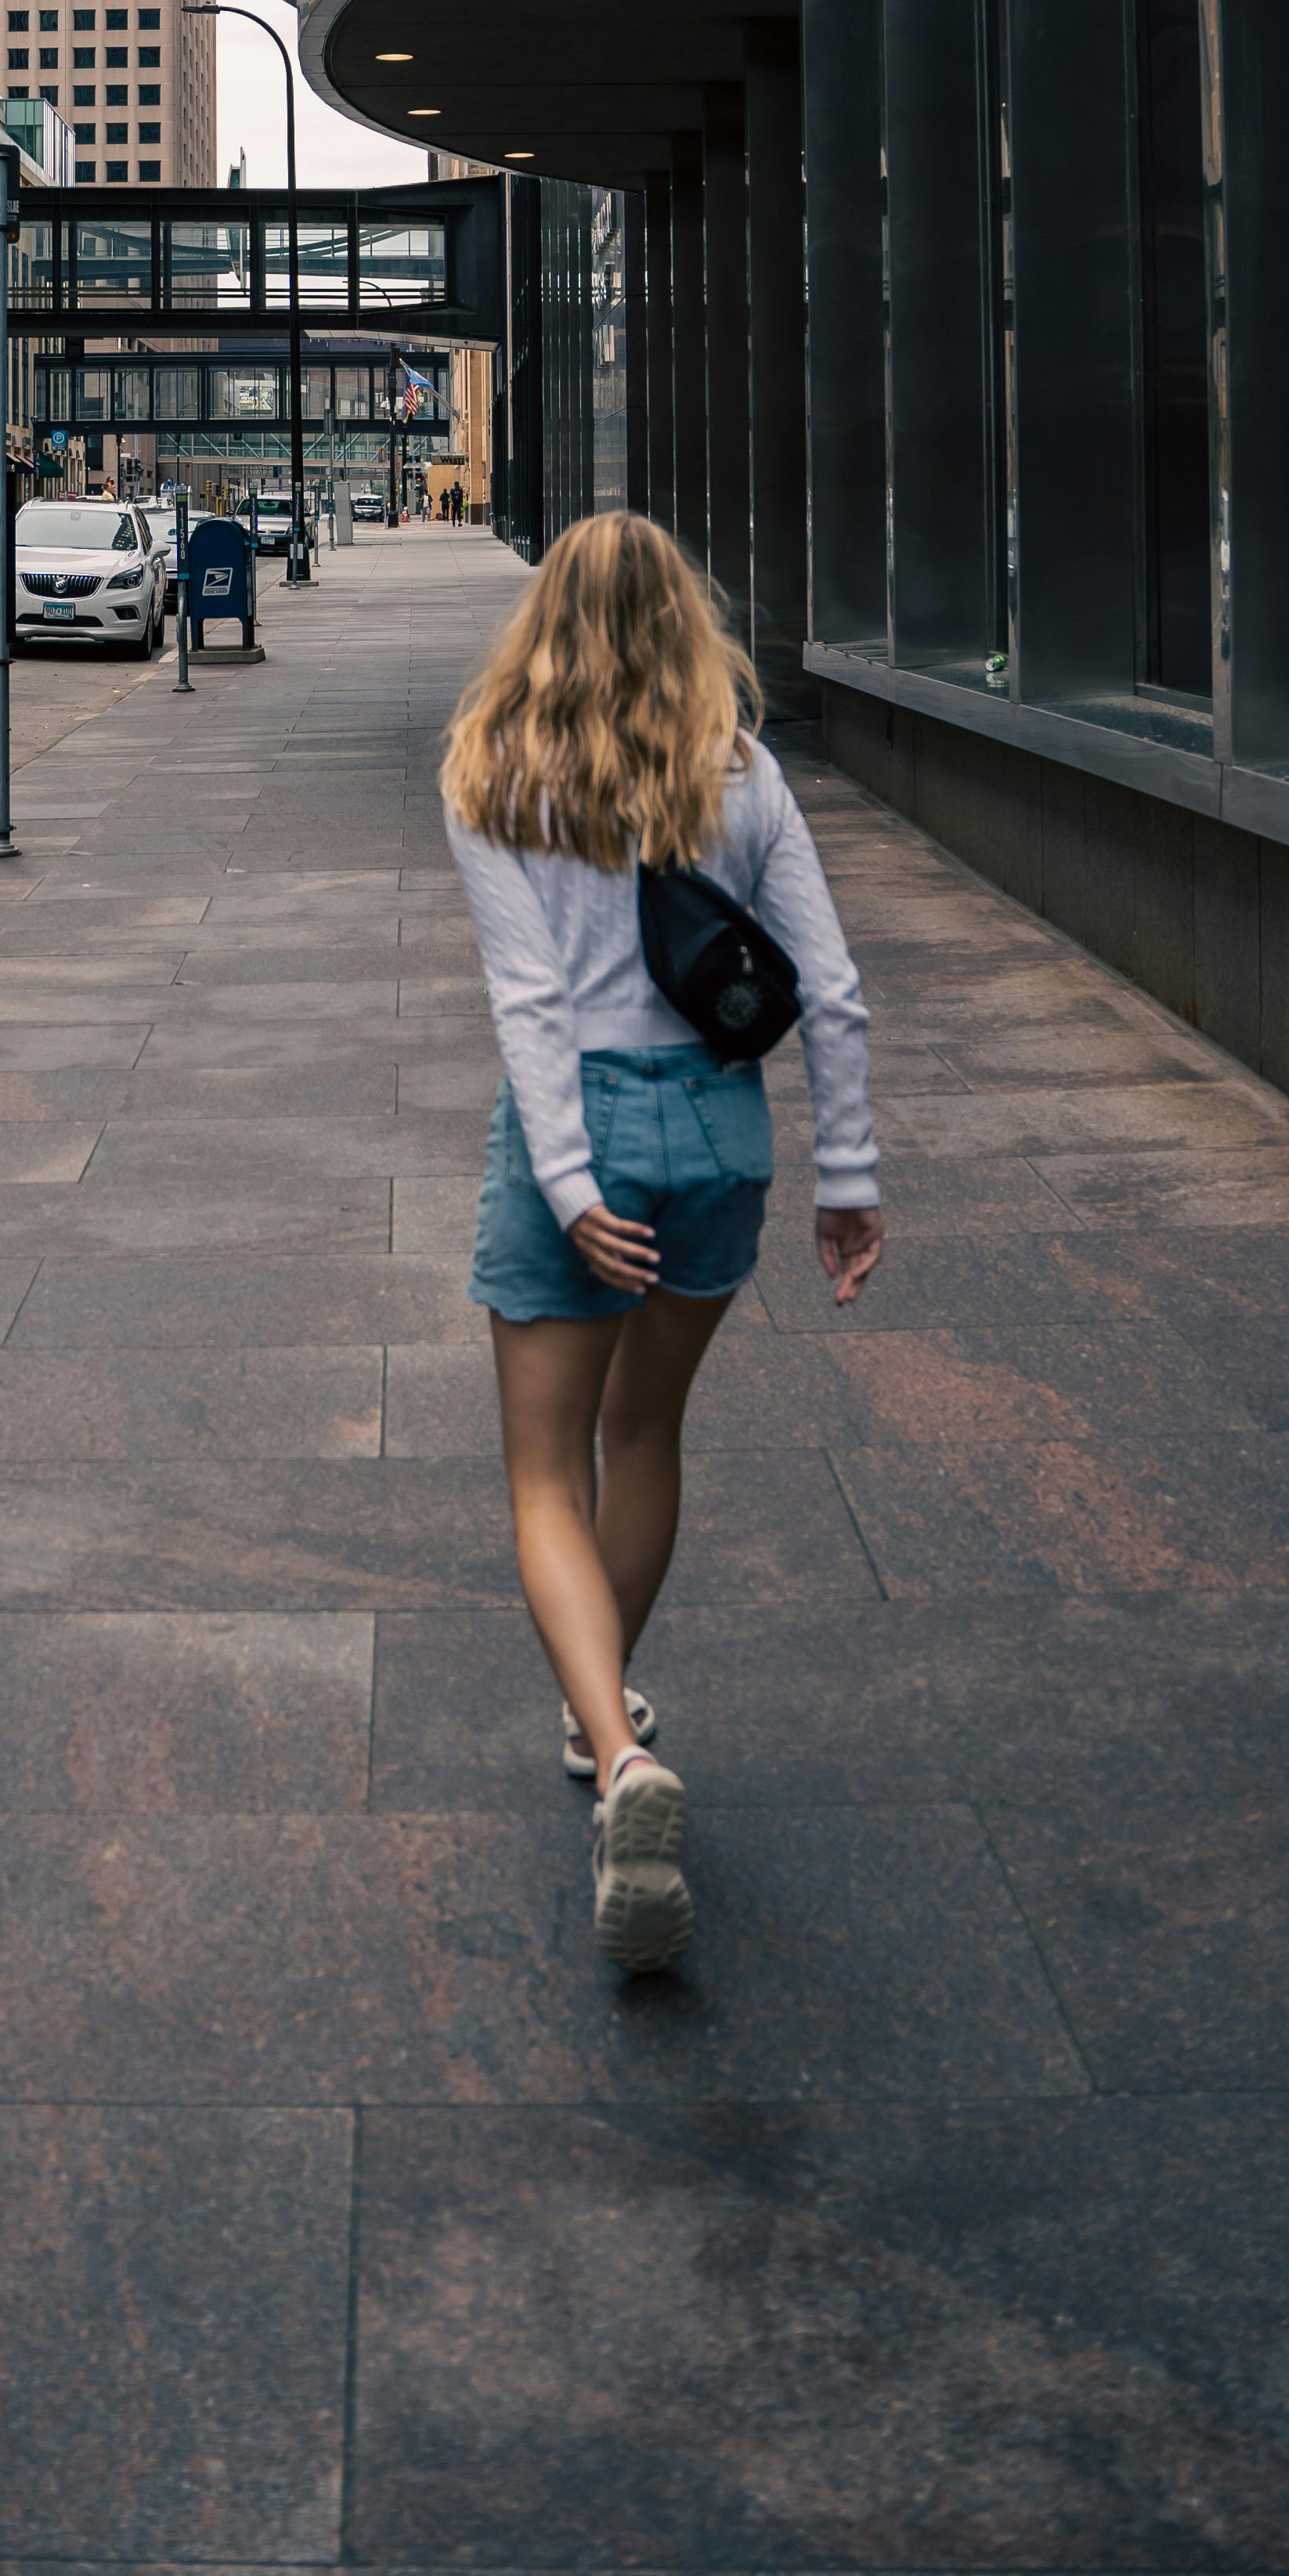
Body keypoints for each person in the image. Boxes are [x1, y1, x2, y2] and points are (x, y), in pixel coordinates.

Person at [442, 512, 883, 1972]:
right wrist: (849, 1177)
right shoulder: (741, 777)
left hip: (582, 1140)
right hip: (716, 1143)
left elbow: (529, 1003)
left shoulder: (491, 777)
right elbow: (830, 989)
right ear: (683, 620)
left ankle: (621, 1758)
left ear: (545, 622)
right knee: (645, 1440)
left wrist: (566, 1183)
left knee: (538, 1475)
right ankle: (598, 1713)